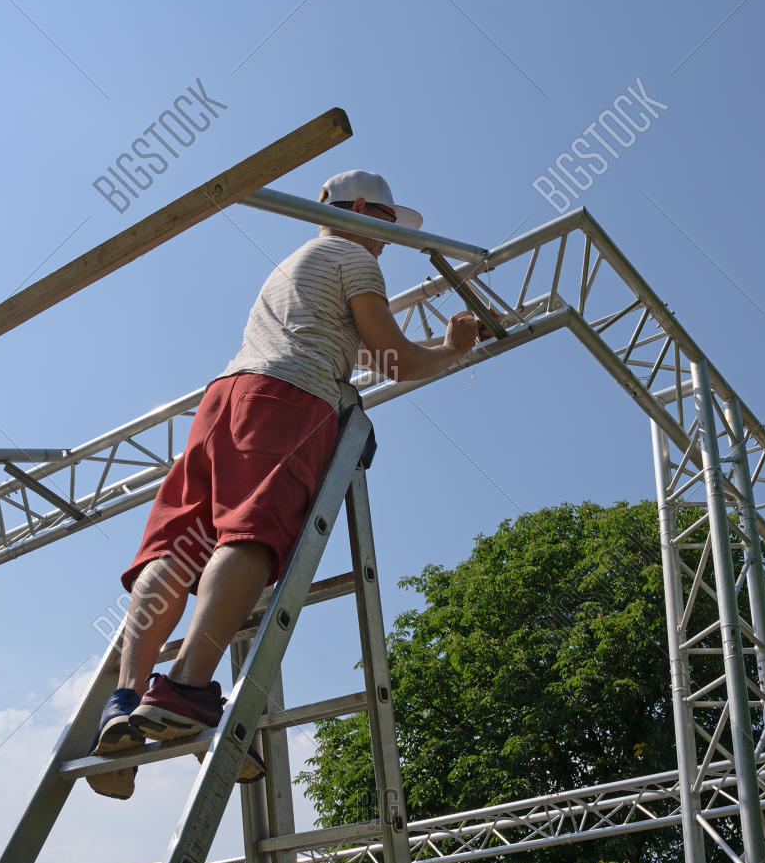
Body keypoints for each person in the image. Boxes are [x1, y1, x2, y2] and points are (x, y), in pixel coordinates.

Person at [88, 170, 485, 798]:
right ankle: (188, 687)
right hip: (289, 398)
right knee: (252, 532)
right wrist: (453, 348)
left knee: (175, 547)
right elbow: (395, 361)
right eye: (384, 225)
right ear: (359, 211)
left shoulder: (291, 266)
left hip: (224, 398)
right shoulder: (352, 254)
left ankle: (124, 701)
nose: (385, 244)